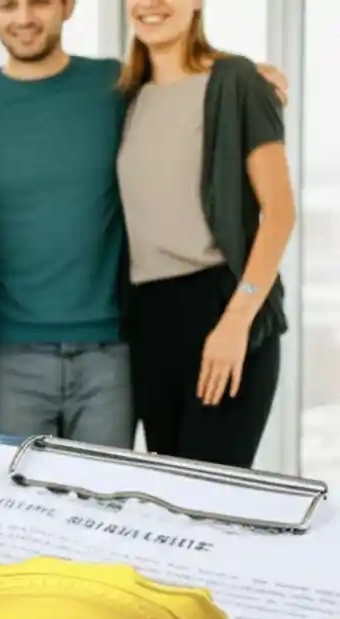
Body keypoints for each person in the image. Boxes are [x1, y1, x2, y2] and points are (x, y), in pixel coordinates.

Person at [0, 0, 288, 449]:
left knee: (166, 498)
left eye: (40, 2)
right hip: (50, 346)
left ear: (68, 7)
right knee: (30, 508)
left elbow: (275, 205)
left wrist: (254, 78)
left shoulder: (116, 85)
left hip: (128, 344)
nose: (24, 18)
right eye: (8, 4)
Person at [117, 0, 294, 468]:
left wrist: (237, 320)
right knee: (169, 499)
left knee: (213, 500)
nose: (150, 5)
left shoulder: (236, 81)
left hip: (223, 305)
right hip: (150, 318)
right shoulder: (127, 96)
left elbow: (279, 213)